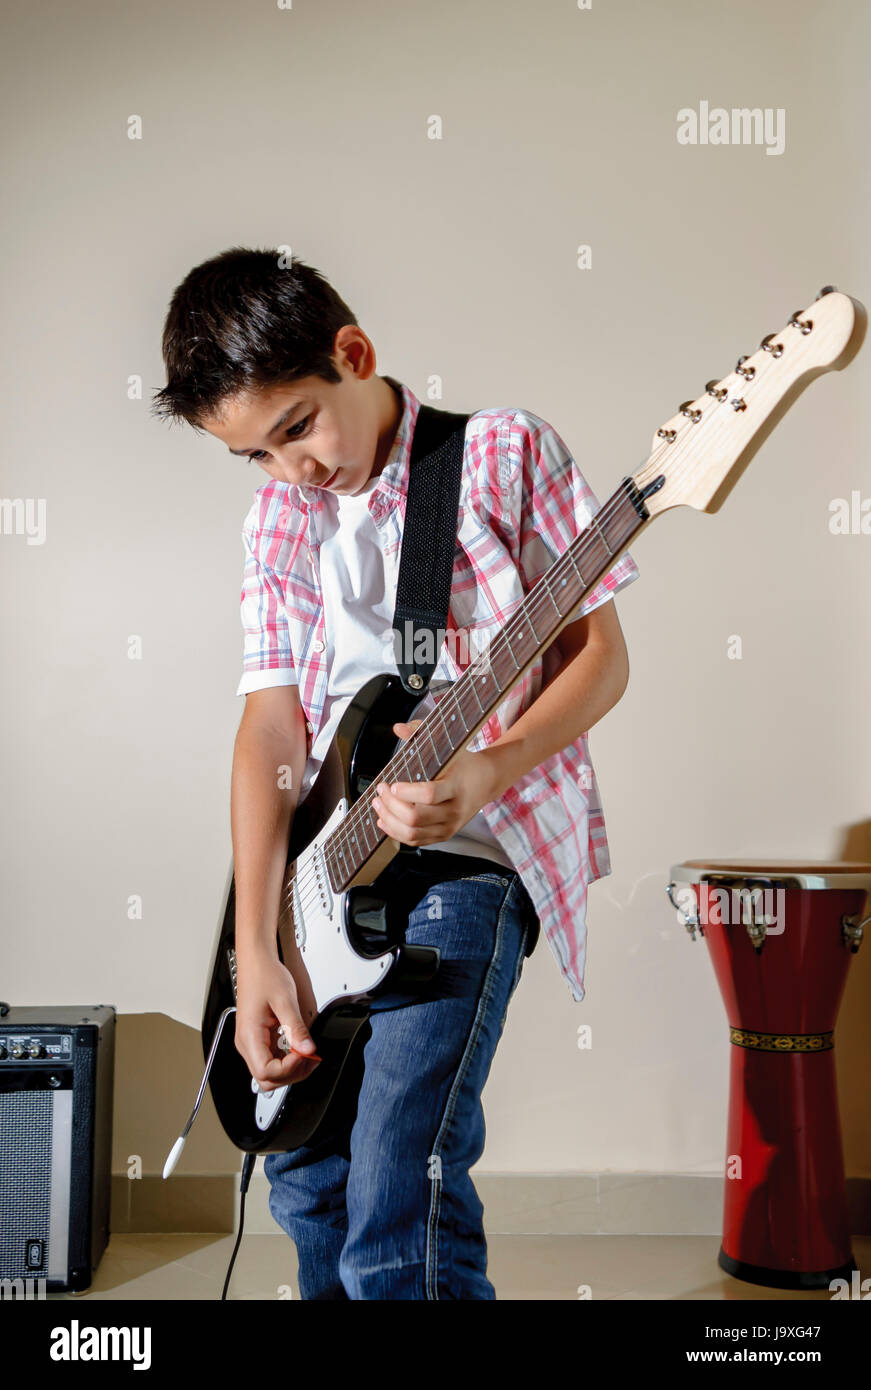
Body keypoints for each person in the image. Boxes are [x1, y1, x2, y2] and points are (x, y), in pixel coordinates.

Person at [152, 247, 640, 1299]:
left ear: (353, 354)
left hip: (472, 858)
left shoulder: (502, 453)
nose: (295, 470)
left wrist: (487, 768)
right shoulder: (281, 520)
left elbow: (600, 657)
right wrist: (254, 955)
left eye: (297, 426)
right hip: (319, 880)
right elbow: (271, 732)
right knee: (308, 1189)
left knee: (396, 1194)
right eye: (256, 456)